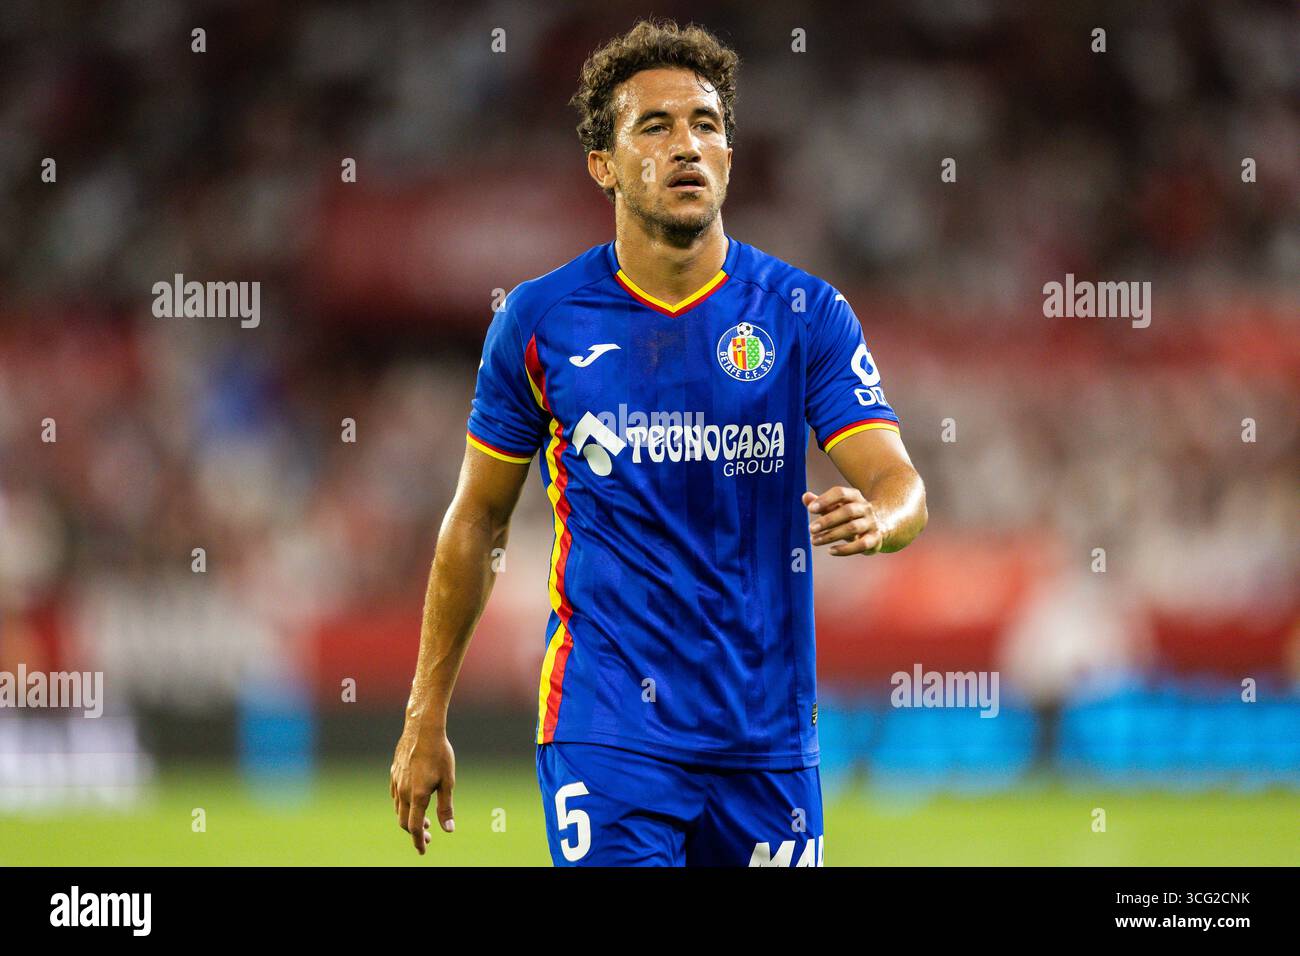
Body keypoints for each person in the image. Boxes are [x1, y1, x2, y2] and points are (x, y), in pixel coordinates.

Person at [391, 18, 927, 866]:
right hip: (607, 727)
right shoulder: (539, 321)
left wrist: (880, 518)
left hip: (766, 737)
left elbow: (901, 482)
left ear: (729, 154)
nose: (688, 145)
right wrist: (426, 716)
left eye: (706, 124)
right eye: (656, 126)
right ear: (603, 165)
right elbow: (477, 521)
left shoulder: (802, 312)